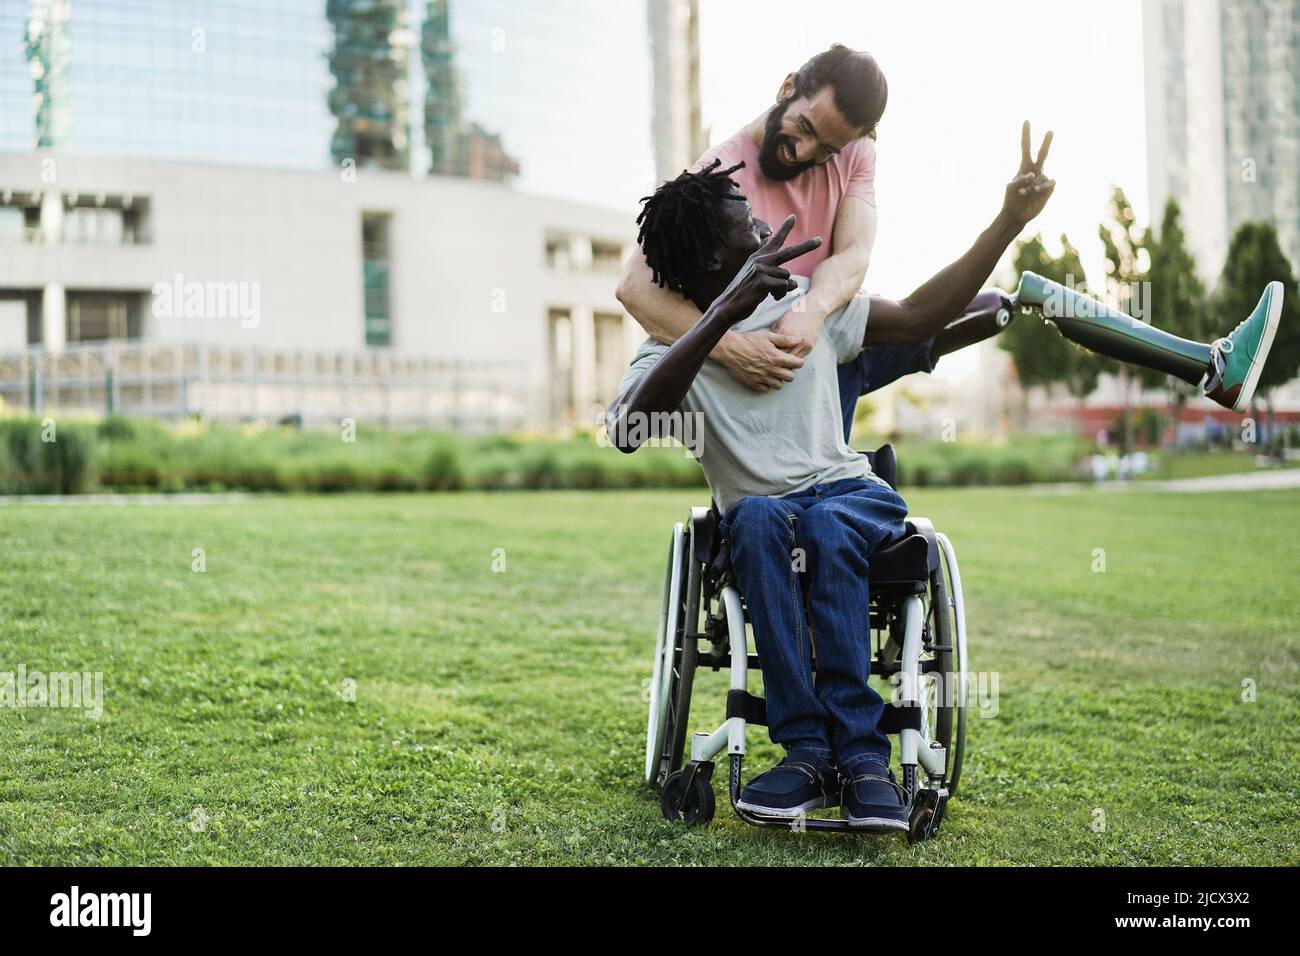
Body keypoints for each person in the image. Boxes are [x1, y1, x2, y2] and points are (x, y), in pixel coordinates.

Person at [606, 147, 1057, 828]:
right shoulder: (674, 357)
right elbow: (627, 431)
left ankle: (865, 759)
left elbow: (917, 318)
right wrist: (719, 319)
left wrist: (1007, 222)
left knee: (818, 523)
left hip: (850, 497)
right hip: (763, 518)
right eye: (746, 227)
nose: (766, 230)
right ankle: (809, 754)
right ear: (710, 267)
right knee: (755, 517)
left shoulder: (806, 305)